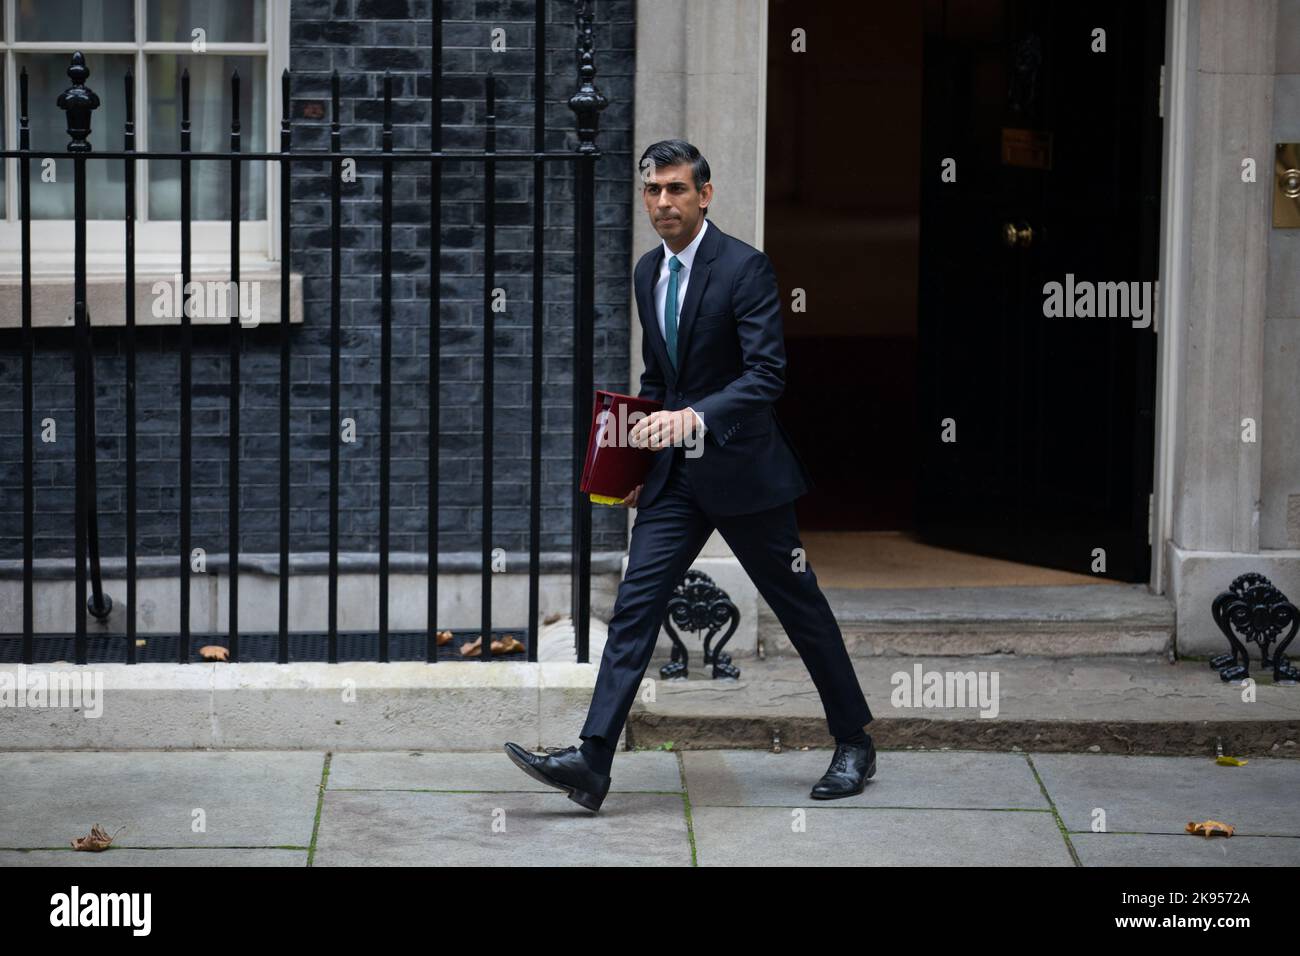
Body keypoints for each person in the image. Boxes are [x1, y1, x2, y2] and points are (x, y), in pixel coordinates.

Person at [505, 139, 875, 812]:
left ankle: (854, 741)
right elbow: (657, 379)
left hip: (746, 474)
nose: (663, 201)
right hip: (674, 479)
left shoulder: (745, 268)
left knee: (801, 609)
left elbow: (766, 376)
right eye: (653, 190)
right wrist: (640, 462)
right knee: (634, 610)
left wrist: (692, 421)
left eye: (676, 189)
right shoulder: (649, 272)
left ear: (704, 195)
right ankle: (592, 761)